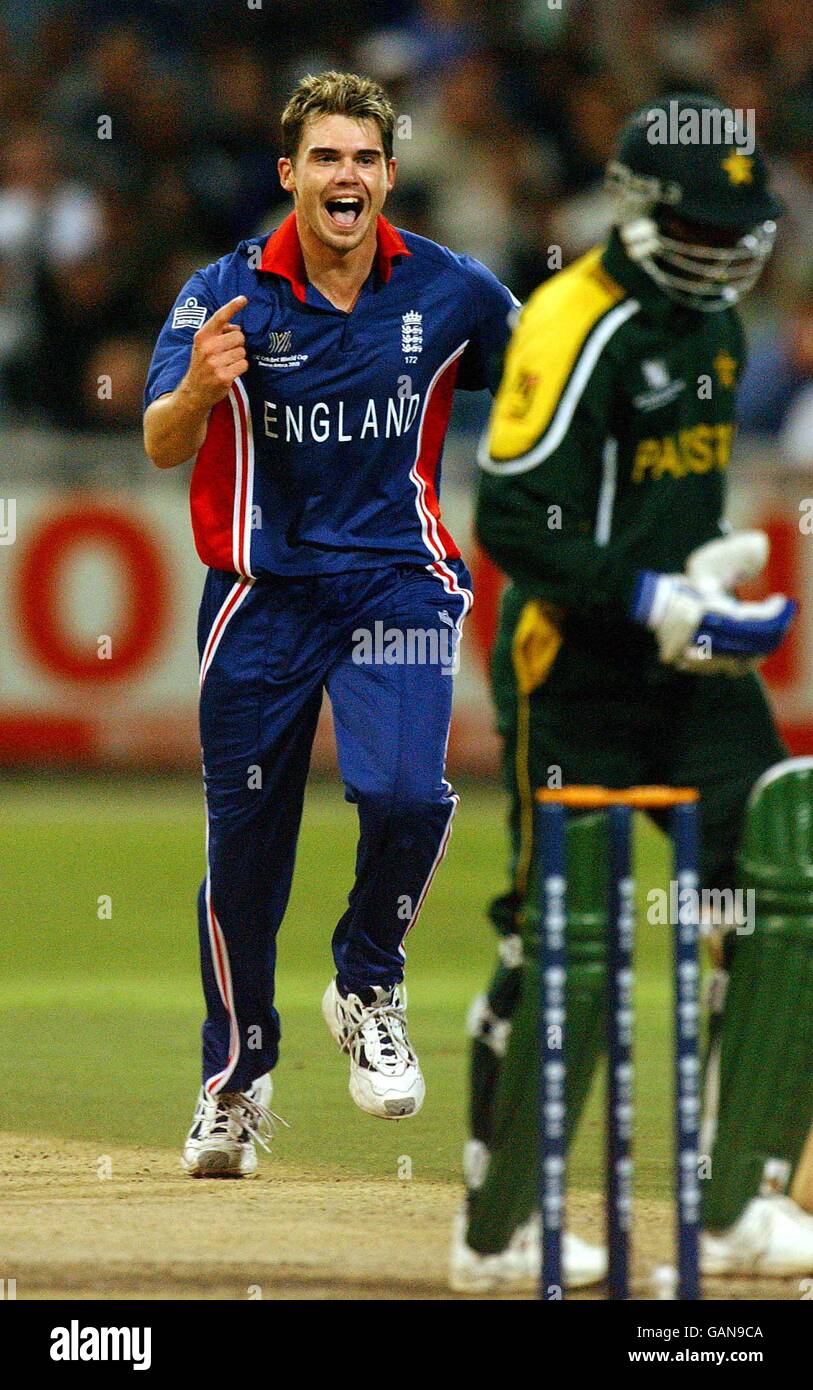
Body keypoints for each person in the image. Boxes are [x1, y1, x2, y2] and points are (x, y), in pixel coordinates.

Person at [452, 93, 813, 1292]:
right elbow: (513, 516)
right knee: (567, 938)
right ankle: (495, 1229)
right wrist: (647, 595)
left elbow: (667, 487)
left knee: (787, 868)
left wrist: (696, 573)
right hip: (578, 664)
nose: (727, 252)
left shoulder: (713, 329)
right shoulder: (577, 321)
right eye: (704, 226)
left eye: (739, 227)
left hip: (690, 669)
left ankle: (735, 1200)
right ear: (642, 208)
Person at [143, 71, 517, 1176]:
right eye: (324, 159)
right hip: (263, 596)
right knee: (246, 859)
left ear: (389, 175)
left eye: (363, 158)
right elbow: (161, 443)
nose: (344, 177)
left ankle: (366, 977)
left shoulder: (450, 289)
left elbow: (542, 372)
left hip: (400, 581)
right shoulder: (228, 292)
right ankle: (236, 1081)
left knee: (406, 790)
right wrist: (201, 390)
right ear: (290, 176)